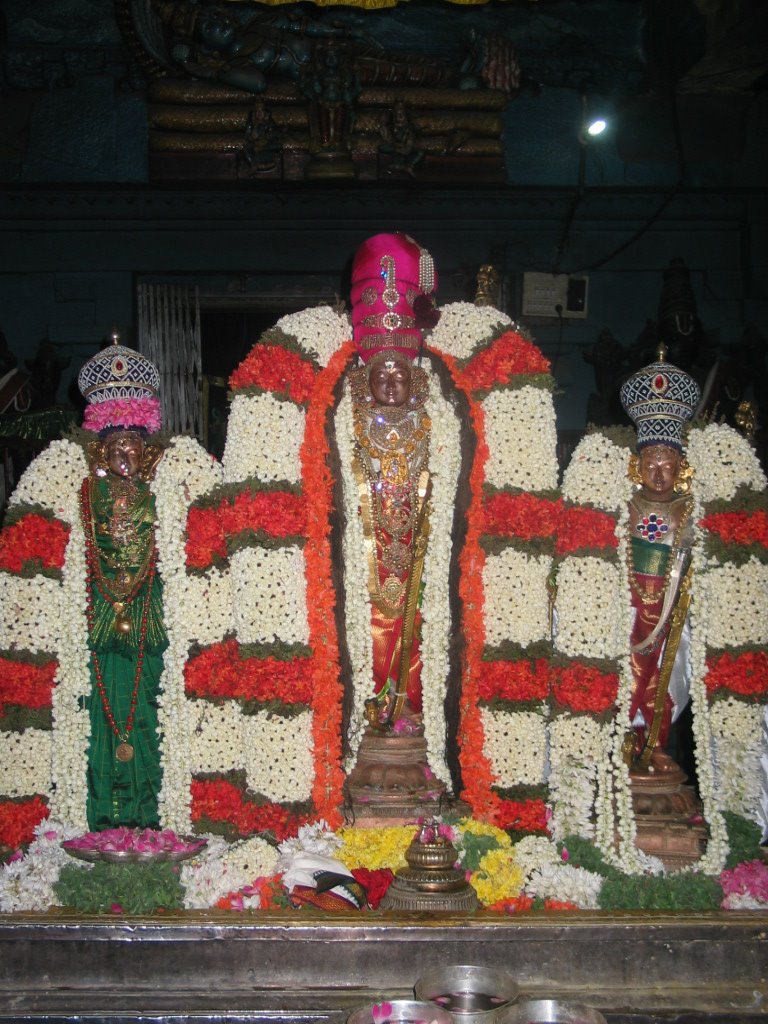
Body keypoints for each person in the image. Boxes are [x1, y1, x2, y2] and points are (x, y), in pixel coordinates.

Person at [0, 333, 220, 834]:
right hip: (95, 617)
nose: (125, 454)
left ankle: (154, 812)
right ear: (100, 450)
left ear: (148, 452)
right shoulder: (76, 489)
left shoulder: (171, 489)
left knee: (151, 703)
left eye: (133, 445)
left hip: (152, 617)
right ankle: (96, 814)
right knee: (94, 706)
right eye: (116, 445)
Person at [620, 344, 700, 776]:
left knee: (667, 678)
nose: (658, 473)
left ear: (681, 467)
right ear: (638, 465)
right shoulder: (621, 507)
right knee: (626, 676)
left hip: (672, 612)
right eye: (651, 463)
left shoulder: (693, 512)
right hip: (630, 609)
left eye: (667, 465)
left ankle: (655, 744)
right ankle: (624, 740)